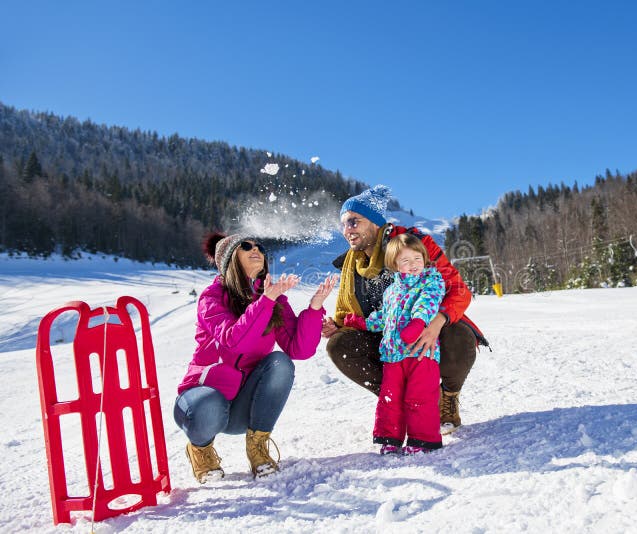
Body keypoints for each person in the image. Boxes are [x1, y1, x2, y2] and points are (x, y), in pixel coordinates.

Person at [322, 185, 489, 434]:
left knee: (459, 335)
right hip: (388, 338)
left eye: (354, 222)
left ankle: (447, 398)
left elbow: (458, 290)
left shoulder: (412, 245)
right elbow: (354, 313)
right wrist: (338, 326)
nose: (348, 230)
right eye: (344, 225)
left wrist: (436, 323)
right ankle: (399, 399)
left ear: (375, 223)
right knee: (340, 345)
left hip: (427, 329)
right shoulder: (353, 264)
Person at [174, 232, 337, 483]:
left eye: (259, 247)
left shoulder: (272, 298)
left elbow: (299, 349)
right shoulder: (212, 298)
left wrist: (314, 308)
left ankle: (257, 447)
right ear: (230, 260)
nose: (256, 250)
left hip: (241, 409)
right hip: (200, 403)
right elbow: (234, 341)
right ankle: (201, 449)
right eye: (246, 246)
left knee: (280, 363)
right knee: (210, 402)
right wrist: (266, 301)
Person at [343, 233, 446, 454]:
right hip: (393, 355)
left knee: (419, 397)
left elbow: (427, 302)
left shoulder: (431, 280)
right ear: (395, 265)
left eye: (417, 259)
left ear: (424, 258)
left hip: (420, 353)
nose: (413, 265)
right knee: (390, 398)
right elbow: (384, 317)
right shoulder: (392, 291)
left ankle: (422, 440)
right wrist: (362, 323)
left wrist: (418, 323)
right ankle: (390, 438)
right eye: (406, 261)